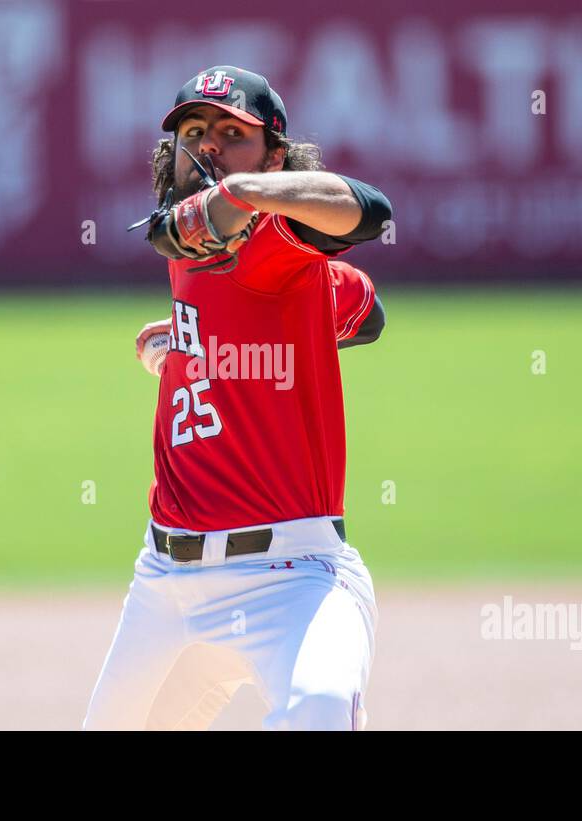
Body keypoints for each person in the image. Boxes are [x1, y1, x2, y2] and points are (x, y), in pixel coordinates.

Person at [83, 65, 391, 730]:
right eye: (195, 131)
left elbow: (371, 211)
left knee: (320, 707)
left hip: (293, 575)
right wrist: (197, 344)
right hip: (166, 580)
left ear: (275, 157)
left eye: (234, 133)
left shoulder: (280, 236)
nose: (211, 146)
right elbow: (365, 312)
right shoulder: (189, 242)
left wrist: (250, 194)